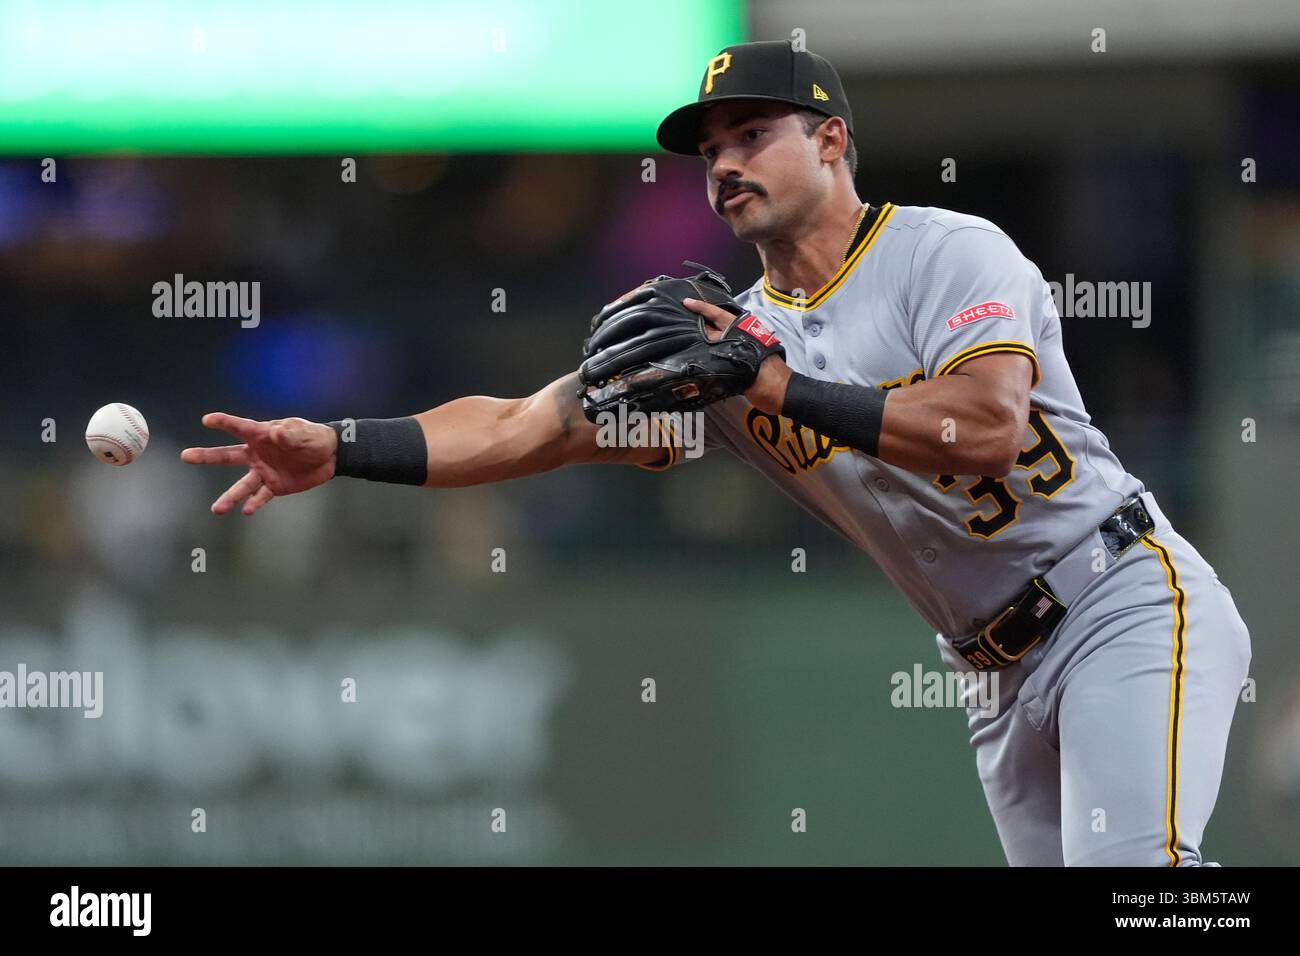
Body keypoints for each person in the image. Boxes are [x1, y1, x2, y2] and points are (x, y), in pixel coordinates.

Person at [183, 40, 1251, 866]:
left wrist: (771, 380)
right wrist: (342, 444)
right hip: (990, 669)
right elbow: (525, 426)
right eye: (710, 149)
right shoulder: (717, 346)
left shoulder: (941, 251)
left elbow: (985, 430)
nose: (725, 162)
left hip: (1116, 597)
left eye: (753, 134)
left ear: (831, 141)